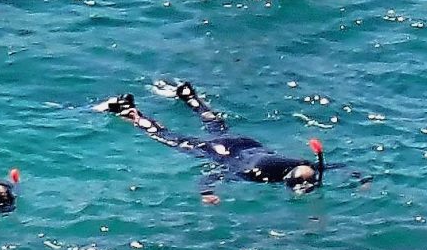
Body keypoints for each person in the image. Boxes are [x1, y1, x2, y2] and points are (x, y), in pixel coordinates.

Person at [95, 79, 325, 192]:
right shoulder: (257, 175)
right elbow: (215, 175)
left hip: (246, 143)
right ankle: (130, 112)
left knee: (216, 124)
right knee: (167, 137)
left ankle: (189, 96)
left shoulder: (306, 165)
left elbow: (336, 166)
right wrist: (206, 193)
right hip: (222, 151)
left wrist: (360, 178)